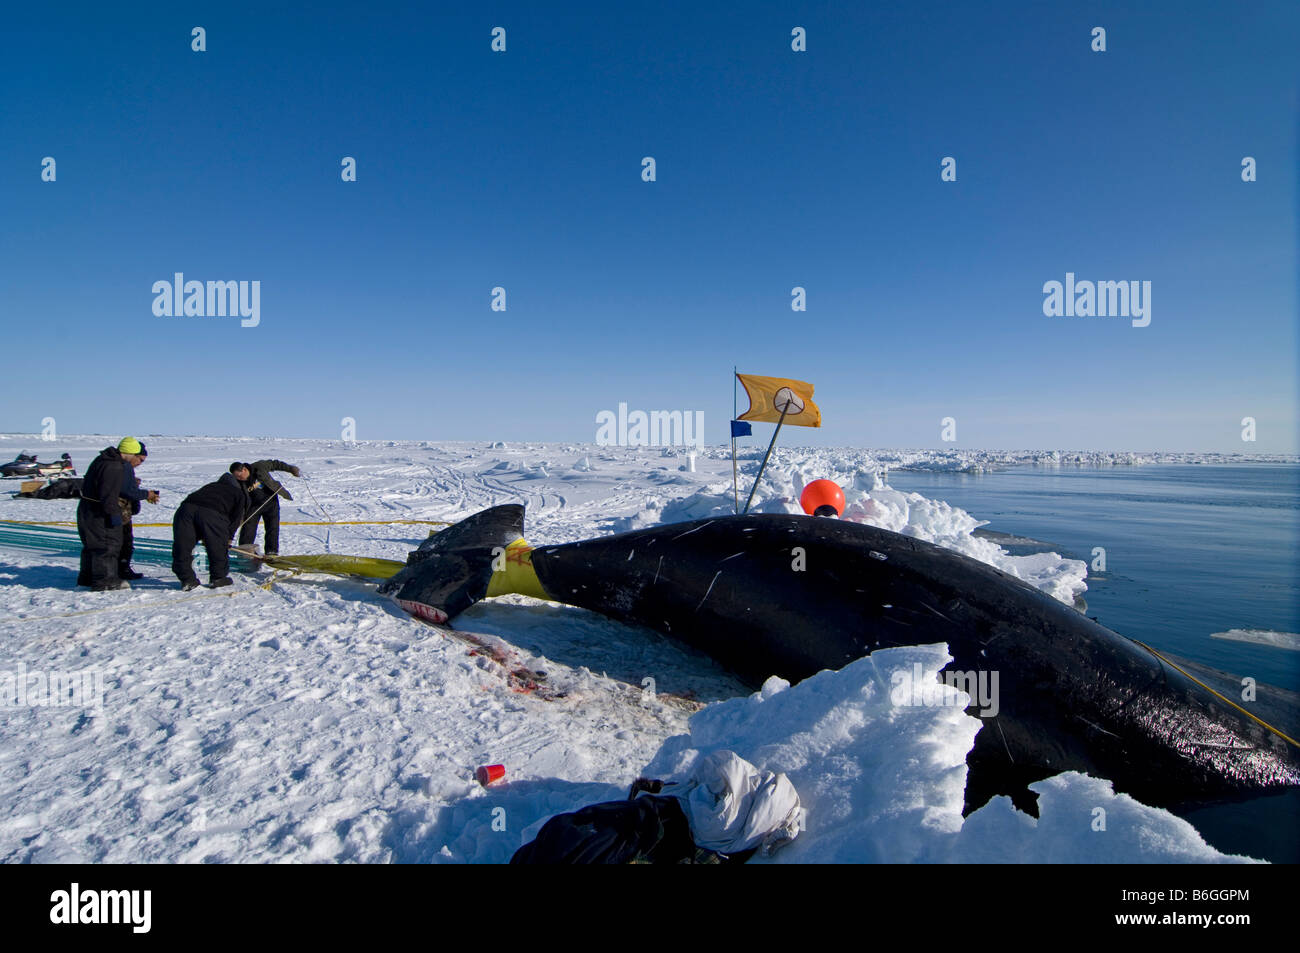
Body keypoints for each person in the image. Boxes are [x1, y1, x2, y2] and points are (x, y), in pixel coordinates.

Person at [77, 437, 148, 591]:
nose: (138, 462)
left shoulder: (102, 460)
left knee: (92, 546)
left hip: (88, 509)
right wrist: (113, 515)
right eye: (138, 457)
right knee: (107, 545)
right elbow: (109, 494)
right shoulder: (114, 466)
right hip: (100, 512)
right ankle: (106, 581)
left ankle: (87, 578)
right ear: (131, 453)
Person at [172, 463, 249, 591]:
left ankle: (187, 579)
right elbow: (235, 519)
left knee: (183, 546)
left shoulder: (210, 486)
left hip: (185, 510)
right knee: (217, 546)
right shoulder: (237, 493)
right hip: (212, 513)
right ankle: (218, 578)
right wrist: (229, 537)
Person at [237, 458, 301, 556]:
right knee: (248, 528)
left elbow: (275, 464)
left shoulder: (259, 466)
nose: (240, 479)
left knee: (272, 528)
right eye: (237, 477)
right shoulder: (238, 482)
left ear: (244, 470)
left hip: (271, 502)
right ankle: (245, 552)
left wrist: (290, 469)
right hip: (252, 507)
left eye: (240, 476)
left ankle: (272, 552)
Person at [116, 445, 160, 581]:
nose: (140, 464)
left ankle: (122, 569)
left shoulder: (123, 468)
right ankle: (118, 571)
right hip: (118, 513)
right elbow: (127, 491)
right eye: (140, 460)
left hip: (123, 513)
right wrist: (146, 494)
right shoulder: (122, 467)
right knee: (121, 544)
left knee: (125, 543)